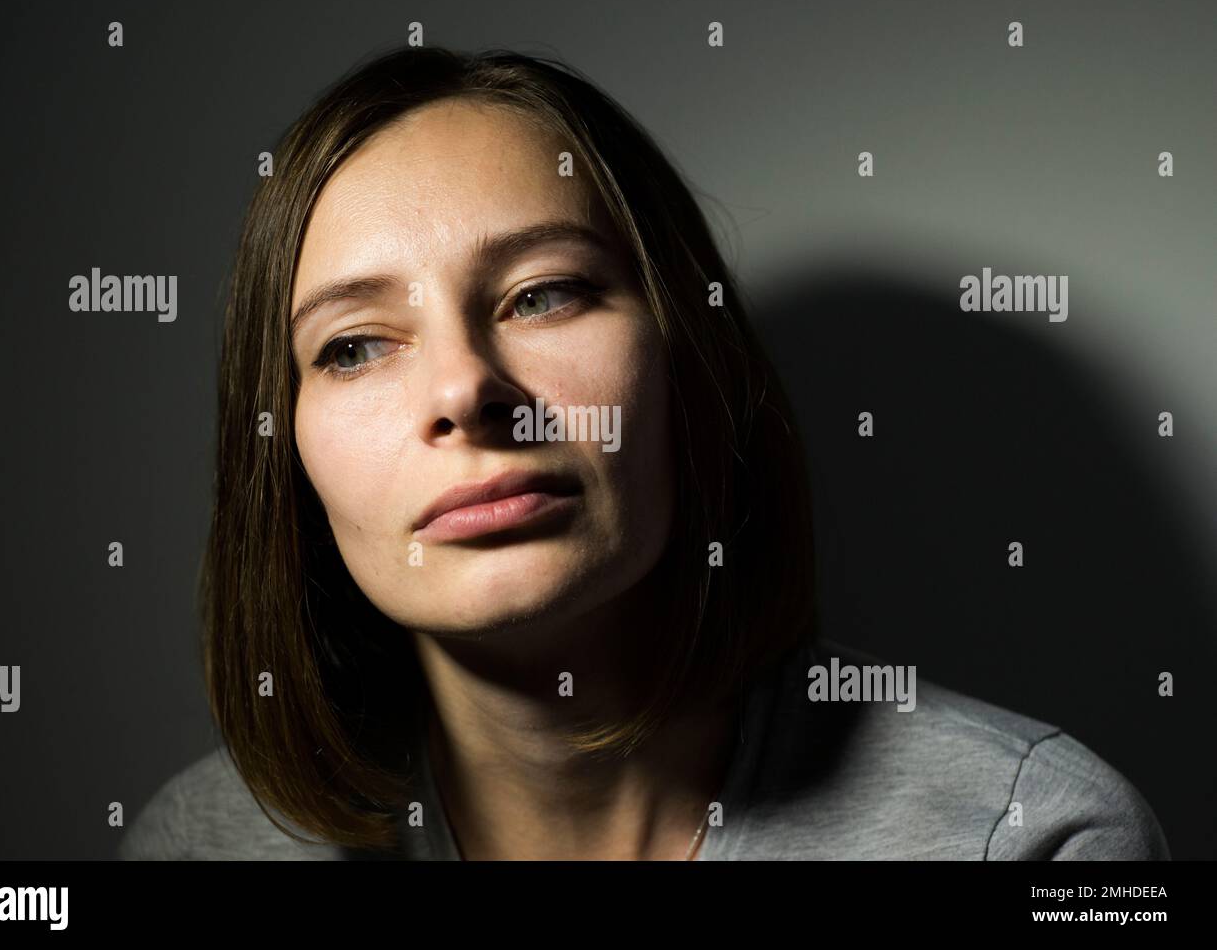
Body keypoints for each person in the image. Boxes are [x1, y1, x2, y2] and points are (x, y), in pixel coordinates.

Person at [119, 45, 1169, 861]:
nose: (462, 390)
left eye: (543, 294)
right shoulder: (193, 843)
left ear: (687, 358)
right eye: (351, 348)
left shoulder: (1034, 839)